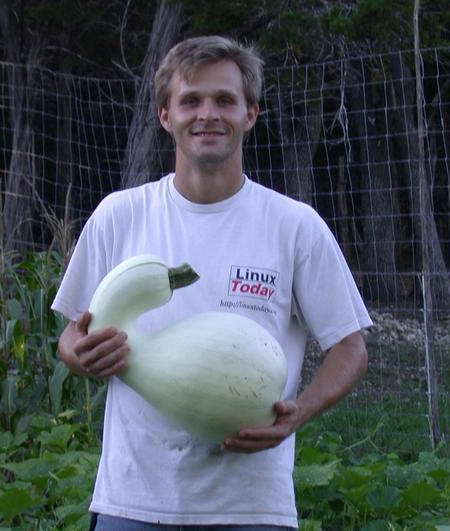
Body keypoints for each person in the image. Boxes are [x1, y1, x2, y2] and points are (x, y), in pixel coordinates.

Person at [53, 35, 371, 530]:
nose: (208, 114)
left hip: (251, 506)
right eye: (191, 101)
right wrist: (77, 354)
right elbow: (73, 334)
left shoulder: (294, 226)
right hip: (133, 500)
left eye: (225, 100)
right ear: (165, 116)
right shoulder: (120, 215)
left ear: (250, 114)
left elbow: (350, 348)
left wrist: (299, 413)